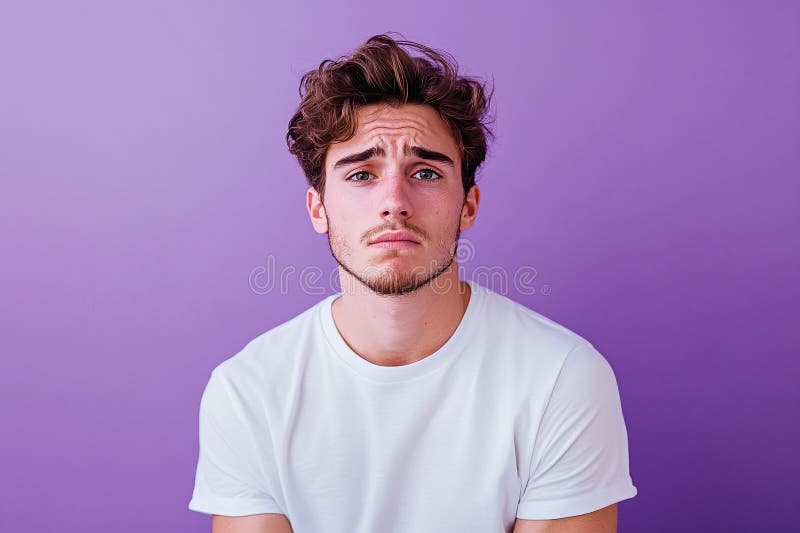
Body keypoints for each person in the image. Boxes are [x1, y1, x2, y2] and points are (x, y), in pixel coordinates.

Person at [188, 34, 637, 533]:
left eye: (425, 172)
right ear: (319, 208)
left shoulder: (561, 378)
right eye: (361, 174)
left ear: (468, 205)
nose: (394, 201)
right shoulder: (248, 390)